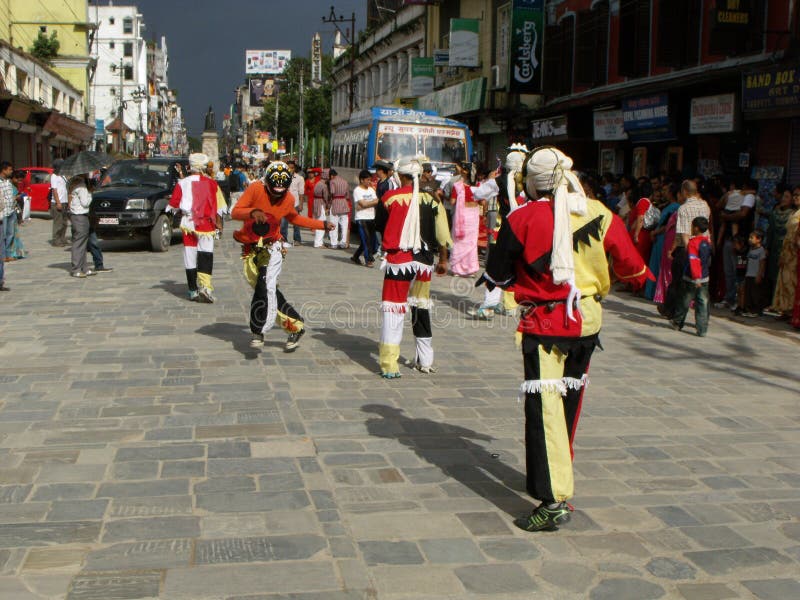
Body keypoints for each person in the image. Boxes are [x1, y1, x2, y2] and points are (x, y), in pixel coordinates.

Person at [483, 146, 651, 532]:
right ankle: (557, 476)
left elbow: (498, 275)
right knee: (569, 403)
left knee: (544, 410)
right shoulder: (599, 213)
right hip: (587, 322)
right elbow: (632, 268)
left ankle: (553, 496)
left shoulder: (522, 218)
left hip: (546, 324)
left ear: (533, 181)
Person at [232, 161, 332, 351]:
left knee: (264, 287)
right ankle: (295, 325)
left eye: (281, 190)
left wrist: (322, 225)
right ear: (267, 183)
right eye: (273, 190)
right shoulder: (255, 189)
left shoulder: (287, 199)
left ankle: (258, 330)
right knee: (268, 290)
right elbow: (235, 211)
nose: (277, 195)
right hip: (250, 248)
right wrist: (253, 212)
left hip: (272, 248)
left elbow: (295, 218)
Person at [375, 156, 451, 378]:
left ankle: (390, 364)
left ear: (401, 175)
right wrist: (443, 260)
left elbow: (379, 225)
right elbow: (442, 234)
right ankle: (425, 360)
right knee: (421, 308)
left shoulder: (390, 198)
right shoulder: (431, 199)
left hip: (398, 260)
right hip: (424, 263)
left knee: (394, 309)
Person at [167, 153, 226, 303]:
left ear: (190, 167)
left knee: (190, 256)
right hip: (206, 225)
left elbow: (173, 204)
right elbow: (219, 206)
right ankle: (205, 287)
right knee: (206, 254)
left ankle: (192, 290)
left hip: (188, 223)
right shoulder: (212, 183)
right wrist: (219, 223)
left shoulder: (182, 183)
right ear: (204, 167)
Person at [663, 181, 710, 318]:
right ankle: (703, 317)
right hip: (704, 247)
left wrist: (682, 251)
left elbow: (682, 233)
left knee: (678, 281)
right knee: (702, 283)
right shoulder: (705, 206)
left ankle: (671, 311)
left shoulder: (683, 208)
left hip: (688, 248)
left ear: (684, 192)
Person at [671, 216, 713, 336]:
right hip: (705, 277)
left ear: (695, 228)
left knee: (684, 301)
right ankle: (702, 329)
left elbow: (694, 261)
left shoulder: (693, 243)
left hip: (692, 278)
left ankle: (677, 323)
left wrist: (696, 277)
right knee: (702, 303)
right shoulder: (707, 242)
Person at [717, 178, 755, 309]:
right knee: (730, 271)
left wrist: (726, 217)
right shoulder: (742, 195)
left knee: (737, 271)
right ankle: (730, 298)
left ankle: (738, 300)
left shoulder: (749, 196)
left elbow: (741, 215)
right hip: (731, 239)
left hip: (740, 242)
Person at [646, 183, 680, 301]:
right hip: (659, 237)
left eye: (666, 190)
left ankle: (658, 293)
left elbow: (667, 225)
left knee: (660, 265)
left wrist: (655, 232)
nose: (663, 192)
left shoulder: (675, 207)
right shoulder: (669, 205)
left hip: (663, 237)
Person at [449, 162, 483, 277]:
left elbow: (452, 202)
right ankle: (470, 269)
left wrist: (443, 196)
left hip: (461, 215)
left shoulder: (457, 185)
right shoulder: (477, 186)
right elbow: (482, 202)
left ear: (464, 172)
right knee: (471, 243)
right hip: (473, 216)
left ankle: (457, 269)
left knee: (459, 241)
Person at [771, 186, 800, 319]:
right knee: (784, 281)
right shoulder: (794, 212)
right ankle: (785, 310)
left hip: (795, 253)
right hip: (786, 252)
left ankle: (792, 312)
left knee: (792, 282)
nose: (796, 197)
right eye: (794, 195)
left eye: (798, 195)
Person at [67, 174, 97, 278]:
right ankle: (76, 269)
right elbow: (85, 203)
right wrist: (90, 194)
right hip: (80, 216)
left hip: (77, 216)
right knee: (79, 243)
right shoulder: (82, 187)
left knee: (83, 243)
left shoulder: (75, 184)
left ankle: (84, 267)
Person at [351, 169, 379, 267]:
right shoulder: (357, 191)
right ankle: (369, 260)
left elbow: (376, 201)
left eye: (370, 180)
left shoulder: (371, 189)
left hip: (371, 217)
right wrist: (368, 204)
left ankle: (355, 256)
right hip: (361, 218)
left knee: (372, 241)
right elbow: (362, 203)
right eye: (367, 180)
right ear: (361, 180)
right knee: (367, 240)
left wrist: (366, 204)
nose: (369, 182)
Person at [741, 229, 767, 317]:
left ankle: (756, 310)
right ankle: (749, 309)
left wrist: (759, 275)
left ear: (759, 239)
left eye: (752, 237)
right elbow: (748, 262)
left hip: (756, 275)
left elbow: (762, 264)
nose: (749, 239)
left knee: (756, 294)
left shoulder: (761, 250)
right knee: (749, 293)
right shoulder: (751, 250)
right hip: (749, 274)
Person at [327, 168, 351, 249]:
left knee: (334, 224)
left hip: (335, 203)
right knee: (344, 225)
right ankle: (343, 242)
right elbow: (347, 195)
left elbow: (332, 193)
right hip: (344, 204)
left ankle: (334, 243)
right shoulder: (345, 181)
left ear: (331, 175)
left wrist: (329, 202)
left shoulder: (332, 181)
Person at [283, 161, 305, 246]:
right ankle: (283, 239)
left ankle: (297, 239)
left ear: (294, 168)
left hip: (295, 203)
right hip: (284, 203)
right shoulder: (282, 177)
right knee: (283, 223)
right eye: (288, 168)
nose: (290, 169)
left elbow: (301, 192)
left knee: (296, 222)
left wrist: (301, 204)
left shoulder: (299, 178)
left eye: (292, 168)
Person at [50, 159, 70, 247]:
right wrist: (58, 203)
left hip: (65, 201)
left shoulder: (63, 176)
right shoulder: (54, 176)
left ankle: (62, 238)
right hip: (57, 202)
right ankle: (56, 240)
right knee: (58, 222)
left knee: (64, 222)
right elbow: (54, 190)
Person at [1, 162, 18, 263]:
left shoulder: (8, 182)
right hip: (2, 213)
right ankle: (2, 255)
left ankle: (8, 254)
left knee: (10, 234)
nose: (11, 172)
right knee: (2, 235)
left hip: (11, 210)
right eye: (9, 170)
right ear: (4, 170)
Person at [9, 170, 27, 259]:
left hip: (14, 211)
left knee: (14, 232)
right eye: (18, 180)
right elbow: (8, 198)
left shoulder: (15, 185)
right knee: (10, 233)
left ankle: (16, 251)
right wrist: (17, 197)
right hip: (8, 211)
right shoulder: (8, 185)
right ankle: (10, 252)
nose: (20, 182)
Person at [312, 169, 330, 248]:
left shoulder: (317, 183)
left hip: (316, 202)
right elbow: (325, 197)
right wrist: (327, 205)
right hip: (321, 204)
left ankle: (319, 242)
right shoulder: (324, 186)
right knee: (322, 223)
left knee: (318, 221)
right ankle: (318, 243)